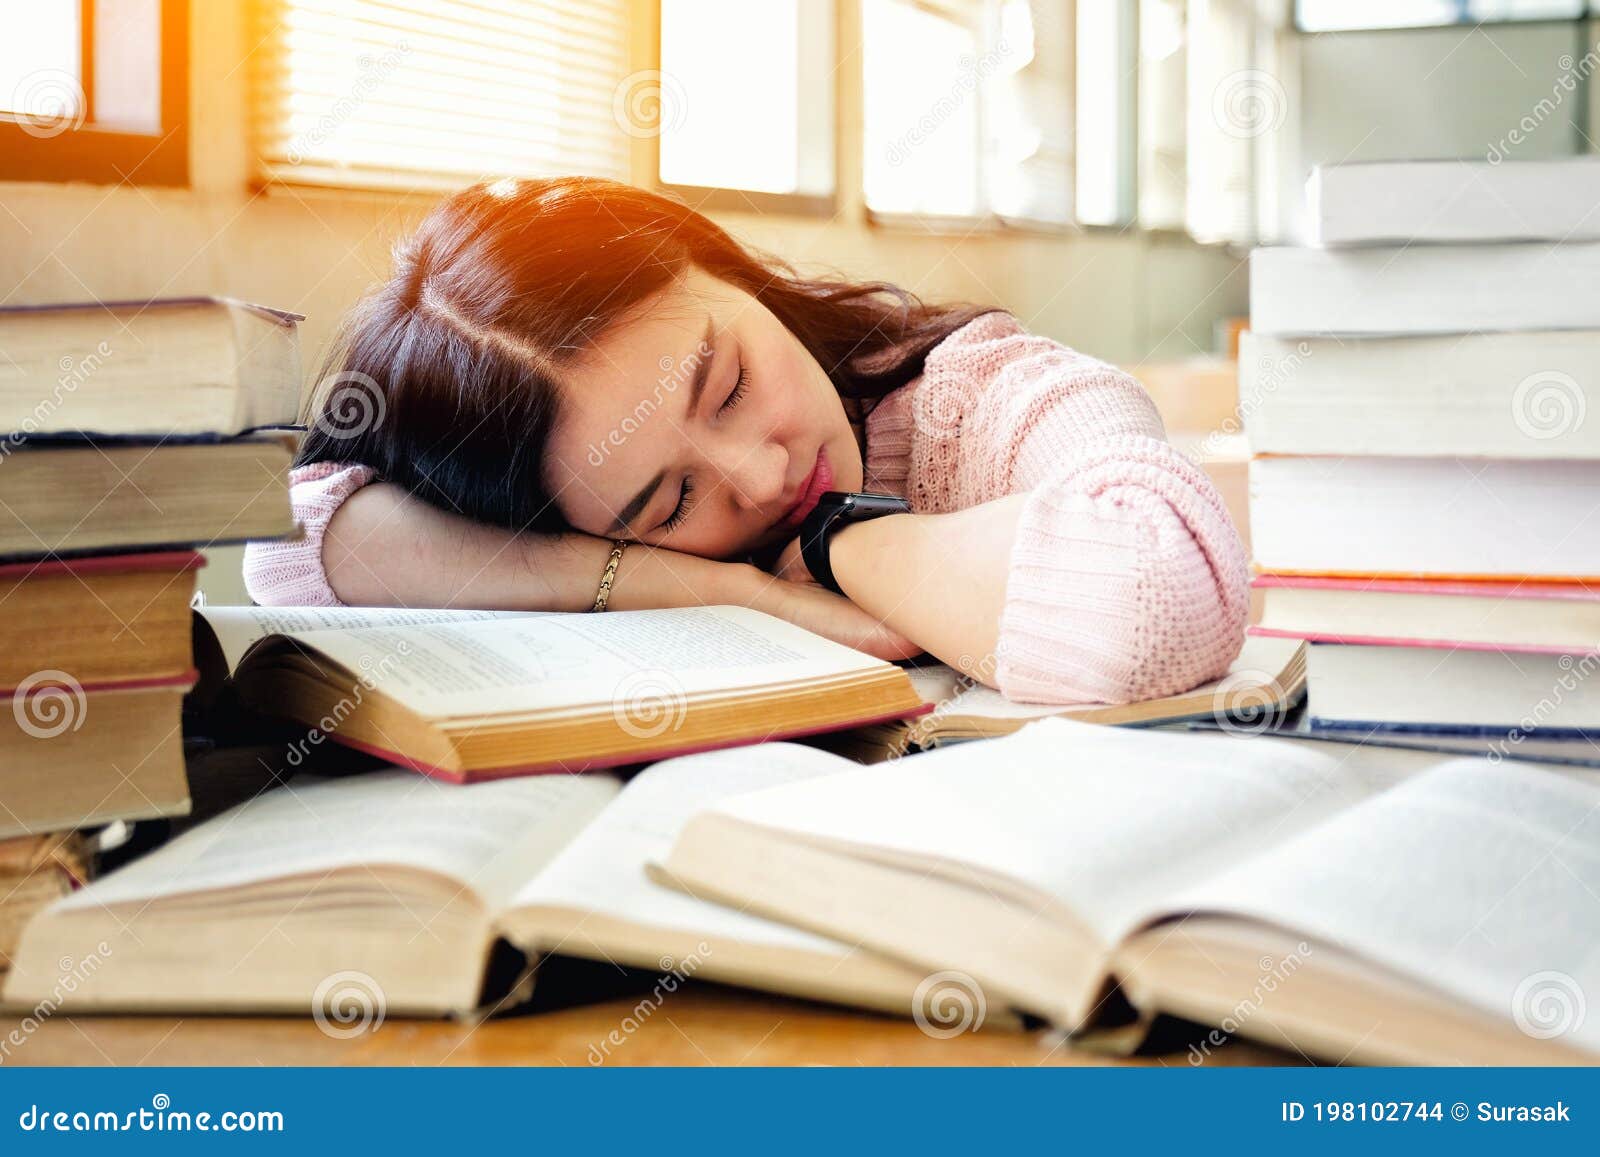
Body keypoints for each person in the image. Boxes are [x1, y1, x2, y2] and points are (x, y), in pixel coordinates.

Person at [243, 176, 1249, 705]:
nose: (763, 472)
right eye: (668, 503)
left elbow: (1151, 602)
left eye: (725, 384)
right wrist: (720, 587)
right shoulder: (656, 555)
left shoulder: (974, 397)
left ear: (717, 265)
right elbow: (284, 544)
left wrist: (837, 542)